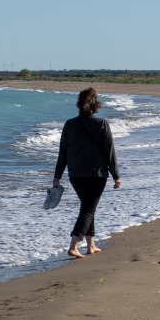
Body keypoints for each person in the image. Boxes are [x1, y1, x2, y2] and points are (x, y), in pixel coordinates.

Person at [52, 87, 121, 258]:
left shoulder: (69, 124)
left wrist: (57, 176)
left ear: (78, 104)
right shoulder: (102, 124)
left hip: (75, 174)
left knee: (87, 208)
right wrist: (116, 175)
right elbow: (109, 152)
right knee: (88, 209)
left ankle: (91, 245)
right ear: (96, 104)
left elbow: (63, 153)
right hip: (96, 175)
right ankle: (74, 245)